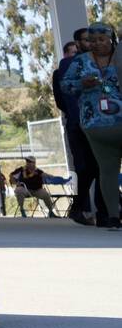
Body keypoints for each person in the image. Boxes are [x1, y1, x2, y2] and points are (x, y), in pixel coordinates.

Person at [60, 23, 122, 230]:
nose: (97, 44)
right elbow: (65, 85)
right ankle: (113, 216)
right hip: (95, 124)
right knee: (107, 169)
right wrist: (81, 84)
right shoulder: (80, 62)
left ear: (111, 39)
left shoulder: (120, 57)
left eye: (101, 40)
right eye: (92, 40)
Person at [54, 31, 106, 226]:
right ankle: (86, 208)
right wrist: (75, 114)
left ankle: (102, 212)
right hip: (80, 123)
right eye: (87, 40)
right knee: (89, 167)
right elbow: (63, 95)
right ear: (77, 43)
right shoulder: (68, 65)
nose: (92, 43)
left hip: (102, 122)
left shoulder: (103, 61)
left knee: (100, 167)